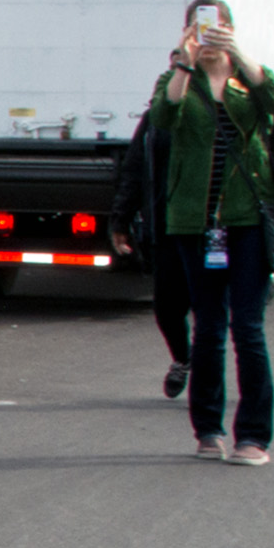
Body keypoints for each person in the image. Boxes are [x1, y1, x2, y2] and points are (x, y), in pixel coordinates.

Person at [149, 0, 274, 465]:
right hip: (195, 222)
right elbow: (162, 120)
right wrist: (184, 65)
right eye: (198, 26)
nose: (207, 35)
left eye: (217, 27)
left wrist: (242, 57)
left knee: (249, 328)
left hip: (246, 219)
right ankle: (208, 428)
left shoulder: (247, 82)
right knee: (209, 326)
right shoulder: (178, 82)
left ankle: (254, 436)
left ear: (229, 29)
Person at [112, 103, 192, 399]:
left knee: (211, 313)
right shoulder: (157, 117)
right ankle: (183, 358)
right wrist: (120, 219)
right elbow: (134, 169)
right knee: (167, 309)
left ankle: (209, 388)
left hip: (212, 231)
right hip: (167, 227)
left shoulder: (222, 109)